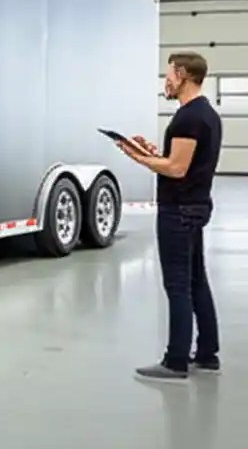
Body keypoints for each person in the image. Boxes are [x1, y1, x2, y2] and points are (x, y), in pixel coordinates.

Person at [116, 51, 222, 383]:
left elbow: (176, 168)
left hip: (178, 210)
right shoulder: (206, 115)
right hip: (195, 205)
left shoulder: (188, 117)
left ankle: (176, 361)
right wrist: (153, 154)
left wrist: (138, 158)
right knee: (195, 281)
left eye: (170, 75)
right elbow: (179, 161)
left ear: (183, 75)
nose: (166, 81)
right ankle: (207, 354)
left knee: (178, 285)